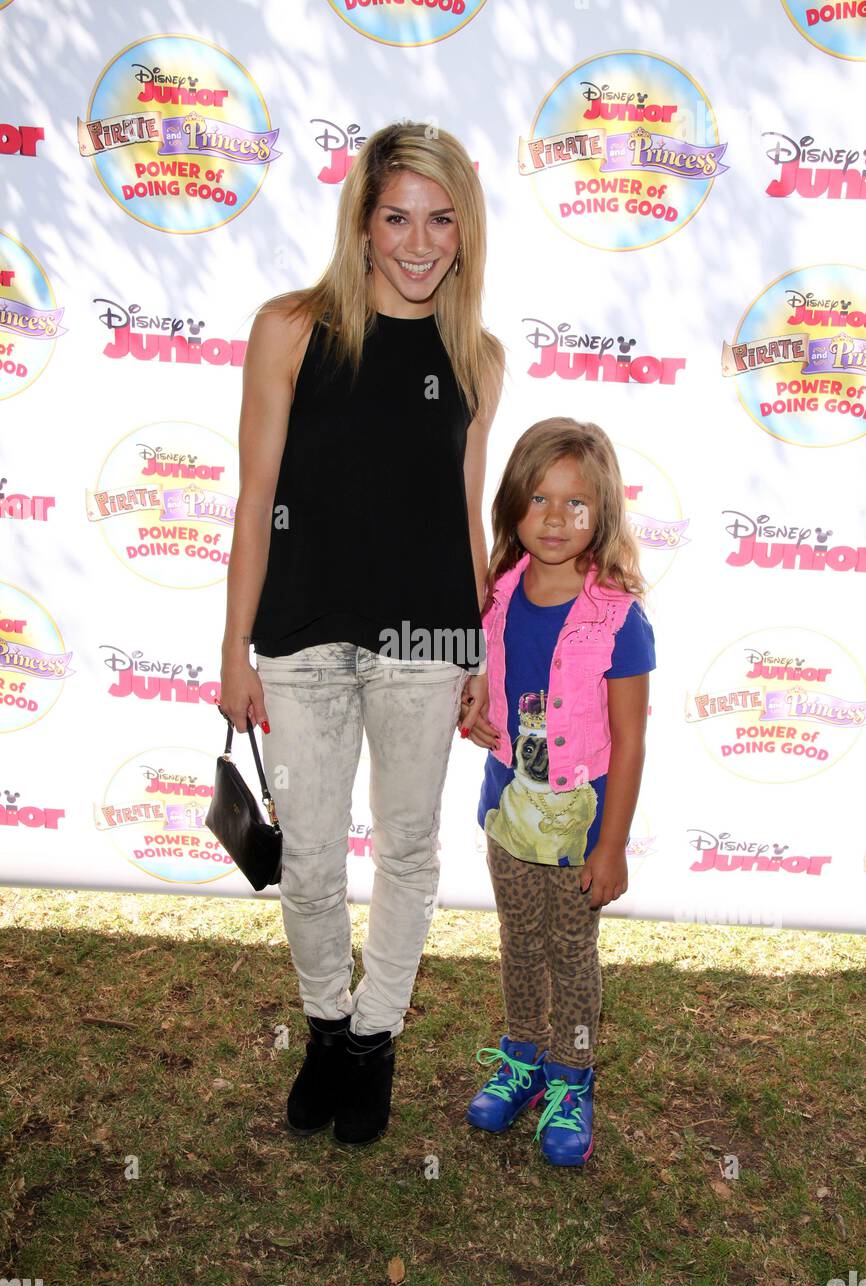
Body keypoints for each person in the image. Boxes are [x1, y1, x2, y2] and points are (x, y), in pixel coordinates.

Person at [219, 121, 505, 1146]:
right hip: (299, 637)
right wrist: (232, 650)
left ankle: (375, 1038)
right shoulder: (289, 328)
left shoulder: (475, 355)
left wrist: (478, 650)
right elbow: (256, 503)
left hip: (426, 641)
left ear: (465, 233)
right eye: (396, 217)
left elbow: (463, 512)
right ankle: (324, 1027)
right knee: (303, 858)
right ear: (363, 222)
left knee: (409, 847)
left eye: (440, 220)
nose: (418, 242)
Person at [459, 419, 656, 1166]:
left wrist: (612, 844)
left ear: (603, 513)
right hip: (508, 816)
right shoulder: (497, 595)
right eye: (538, 497)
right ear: (512, 504)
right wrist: (476, 714)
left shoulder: (620, 618)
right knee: (519, 944)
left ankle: (571, 1078)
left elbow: (630, 740)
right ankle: (522, 1059)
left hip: (581, 829)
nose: (554, 517)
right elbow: (487, 686)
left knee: (571, 953)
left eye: (576, 504)